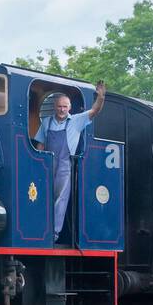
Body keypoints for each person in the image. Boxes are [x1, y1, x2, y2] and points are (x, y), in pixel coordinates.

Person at [32, 82, 107, 244]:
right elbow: (40, 144)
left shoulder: (77, 121)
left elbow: (94, 111)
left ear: (70, 107)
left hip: (65, 165)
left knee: (60, 199)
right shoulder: (46, 122)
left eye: (65, 106)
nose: (62, 109)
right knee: (43, 196)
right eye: (59, 106)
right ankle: (40, 230)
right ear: (54, 106)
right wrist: (38, 164)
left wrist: (101, 97)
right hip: (47, 164)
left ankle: (53, 234)